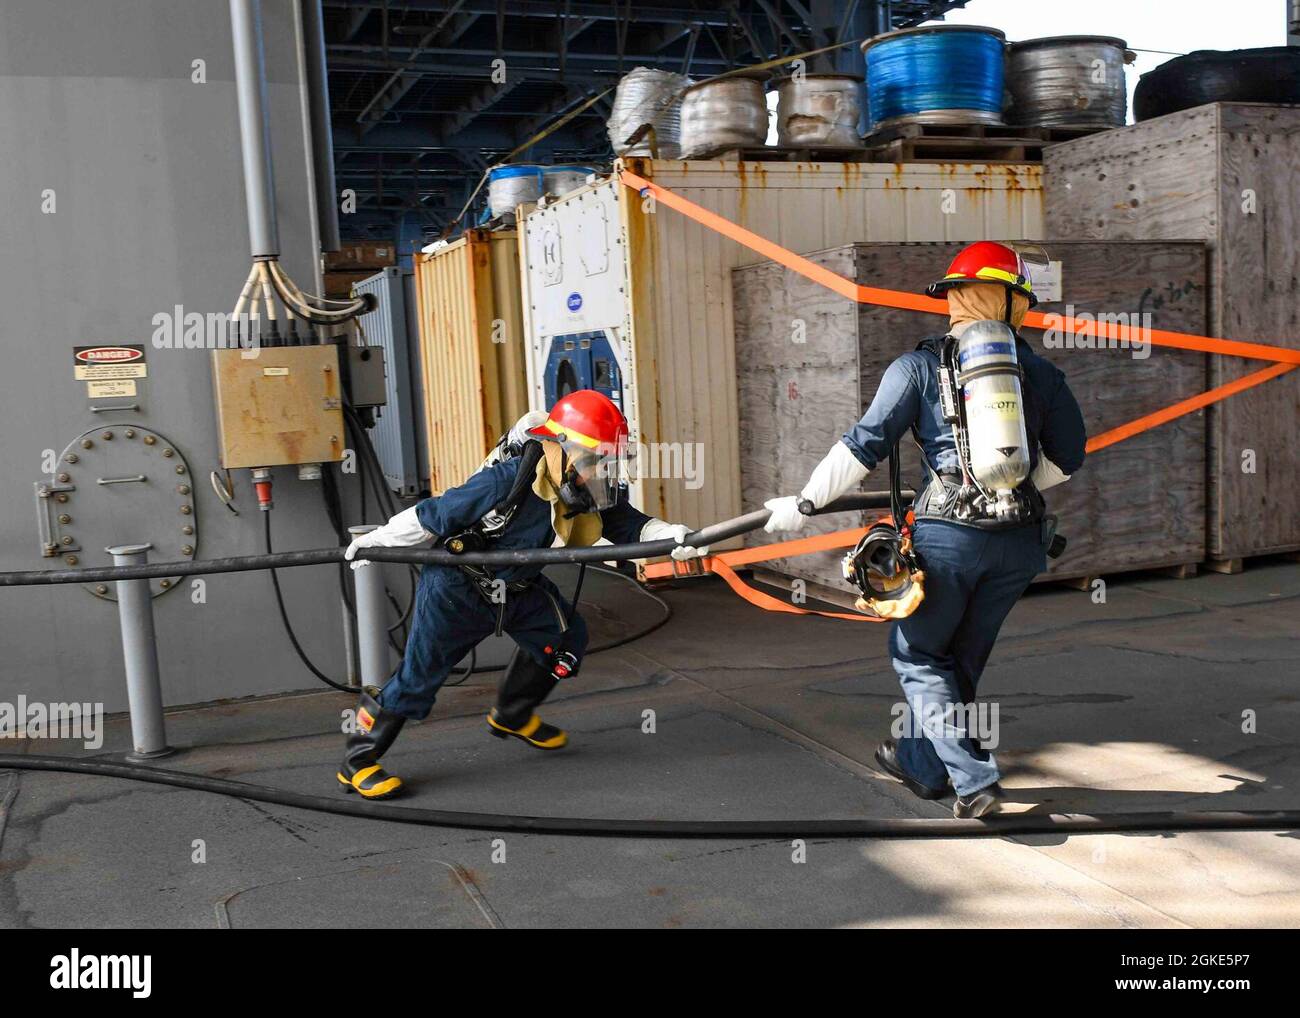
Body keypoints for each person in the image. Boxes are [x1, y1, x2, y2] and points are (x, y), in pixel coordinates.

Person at [764, 241, 1086, 818]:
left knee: (917, 655)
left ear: (955, 298)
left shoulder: (917, 366)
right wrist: (1005, 484)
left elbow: (865, 444)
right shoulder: (1042, 372)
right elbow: (1068, 458)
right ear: (1015, 304)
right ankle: (921, 763)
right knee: (957, 656)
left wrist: (805, 503)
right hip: (1018, 543)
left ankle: (973, 781)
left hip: (948, 539)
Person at [335, 390, 706, 799]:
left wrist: (670, 536)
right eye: (590, 459)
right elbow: (432, 516)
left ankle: (511, 712)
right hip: (458, 589)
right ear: (554, 448)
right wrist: (374, 543)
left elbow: (627, 525)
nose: (597, 470)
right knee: (417, 680)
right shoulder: (505, 481)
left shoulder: (586, 488)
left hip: (519, 588)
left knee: (566, 638)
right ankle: (357, 760)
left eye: (605, 460)